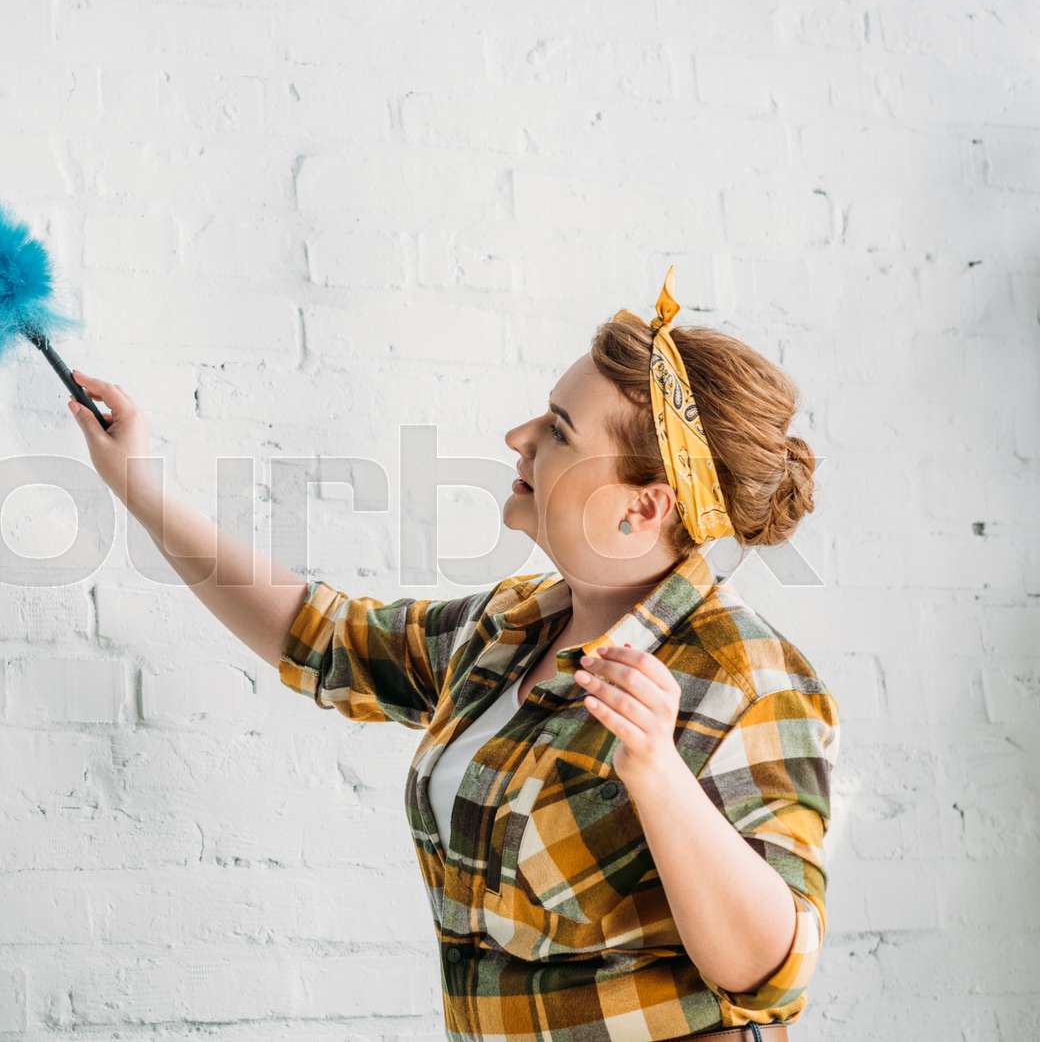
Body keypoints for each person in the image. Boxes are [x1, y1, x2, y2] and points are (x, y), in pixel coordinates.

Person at [65, 266, 840, 1042]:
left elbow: (771, 972)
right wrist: (138, 485)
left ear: (641, 506)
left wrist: (659, 775)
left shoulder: (746, 676)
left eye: (558, 431)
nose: (519, 439)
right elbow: (322, 638)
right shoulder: (509, 629)